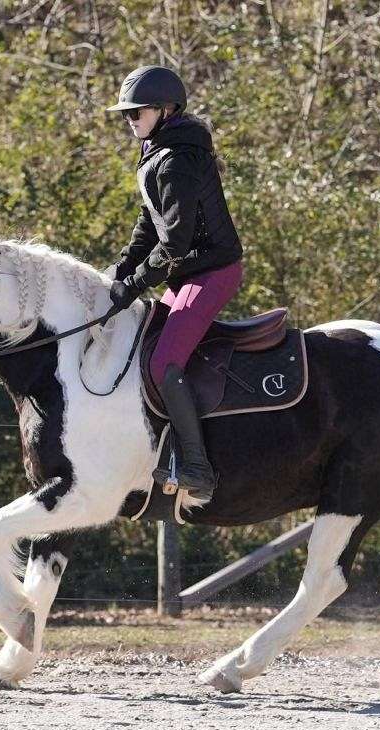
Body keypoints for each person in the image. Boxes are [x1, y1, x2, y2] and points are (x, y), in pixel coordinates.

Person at [105, 65, 244, 502]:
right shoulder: (155, 151)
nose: (130, 120)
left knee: (164, 362)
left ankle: (199, 468)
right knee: (142, 350)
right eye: (126, 114)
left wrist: (135, 284)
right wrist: (116, 274)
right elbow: (147, 228)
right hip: (189, 272)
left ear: (166, 109)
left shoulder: (178, 159)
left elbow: (174, 242)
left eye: (136, 112)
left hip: (213, 272)